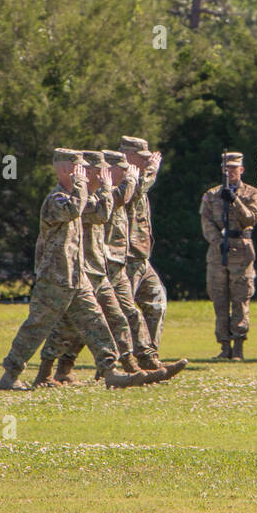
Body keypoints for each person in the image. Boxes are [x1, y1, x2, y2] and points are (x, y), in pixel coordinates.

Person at [0, 149, 181, 391]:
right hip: (55, 278)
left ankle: (111, 371)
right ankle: (11, 374)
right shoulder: (57, 199)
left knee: (98, 322)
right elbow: (75, 208)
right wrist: (86, 184)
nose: (83, 173)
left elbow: (101, 212)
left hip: (78, 274)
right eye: (79, 169)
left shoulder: (80, 196)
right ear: (65, 170)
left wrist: (101, 187)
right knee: (37, 327)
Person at [199, 152, 257, 361]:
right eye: (227, 168)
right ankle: (224, 346)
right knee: (219, 299)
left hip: (242, 251)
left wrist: (234, 200)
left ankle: (238, 346)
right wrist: (217, 242)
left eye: (234, 168)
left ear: (242, 170)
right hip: (219, 252)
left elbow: (251, 219)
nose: (230, 172)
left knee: (240, 299)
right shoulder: (211, 195)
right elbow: (206, 222)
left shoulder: (252, 193)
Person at [119, 136, 167, 355]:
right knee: (119, 312)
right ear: (129, 155)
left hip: (140, 257)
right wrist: (152, 171)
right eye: (142, 158)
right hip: (123, 258)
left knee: (157, 301)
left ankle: (149, 355)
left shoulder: (138, 177)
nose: (147, 162)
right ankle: (118, 359)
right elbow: (135, 191)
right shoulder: (120, 175)